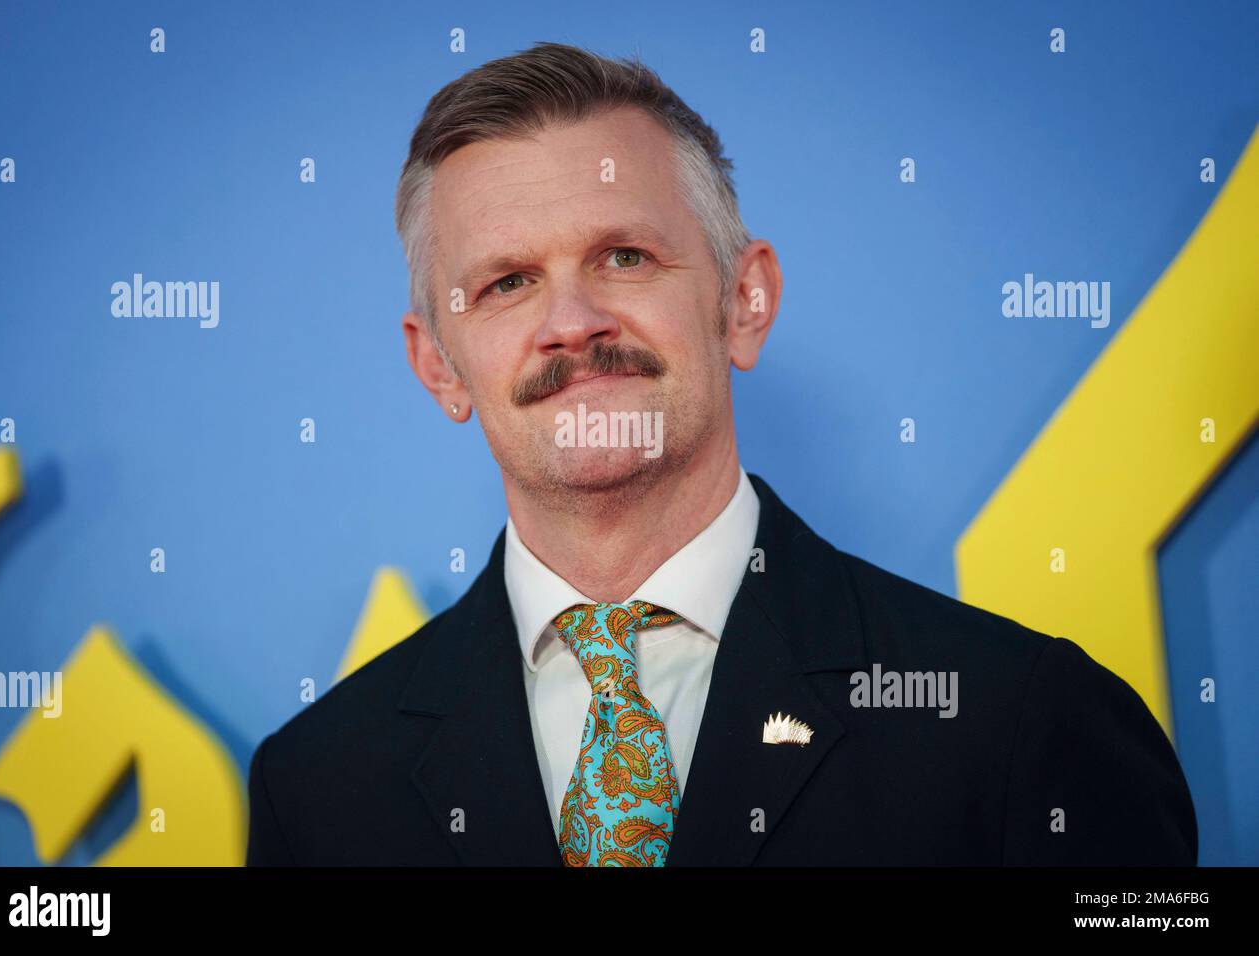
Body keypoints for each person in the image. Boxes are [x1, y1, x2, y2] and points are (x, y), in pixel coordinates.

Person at [246, 42, 1196, 866]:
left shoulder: (1023, 722)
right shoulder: (317, 785)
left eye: (624, 256)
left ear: (745, 300)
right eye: (506, 283)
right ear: (438, 365)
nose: (571, 324)